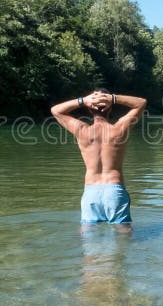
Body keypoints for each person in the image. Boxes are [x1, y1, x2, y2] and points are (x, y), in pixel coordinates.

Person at [50, 89, 147, 225]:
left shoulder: (82, 130)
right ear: (110, 107)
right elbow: (141, 103)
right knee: (122, 239)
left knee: (89, 239)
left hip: (91, 192)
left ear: (89, 109)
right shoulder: (119, 129)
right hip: (114, 191)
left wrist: (83, 100)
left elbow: (55, 110)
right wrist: (112, 98)